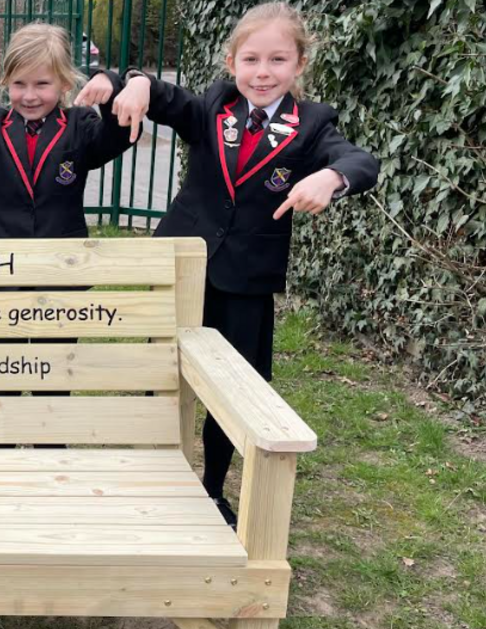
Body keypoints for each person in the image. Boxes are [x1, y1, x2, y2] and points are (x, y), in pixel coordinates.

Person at [111, 1, 380, 526]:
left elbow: (360, 160)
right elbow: (166, 98)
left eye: (278, 60)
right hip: (181, 266)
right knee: (159, 372)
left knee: (234, 389)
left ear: (299, 64)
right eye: (251, 59)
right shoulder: (215, 105)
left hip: (247, 280)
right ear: (232, 61)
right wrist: (140, 80)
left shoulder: (313, 123)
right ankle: (146, 472)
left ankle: (211, 487)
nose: (263, 72)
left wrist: (332, 178)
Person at [0, 23, 138, 448]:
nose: (30, 95)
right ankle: (0, 448)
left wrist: (114, 84)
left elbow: (118, 134)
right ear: (5, 82)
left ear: (66, 82)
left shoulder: (81, 127)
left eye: (43, 84)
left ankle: (52, 450)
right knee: (1, 370)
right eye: (19, 83)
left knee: (55, 370)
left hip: (62, 277)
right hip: (1, 277)